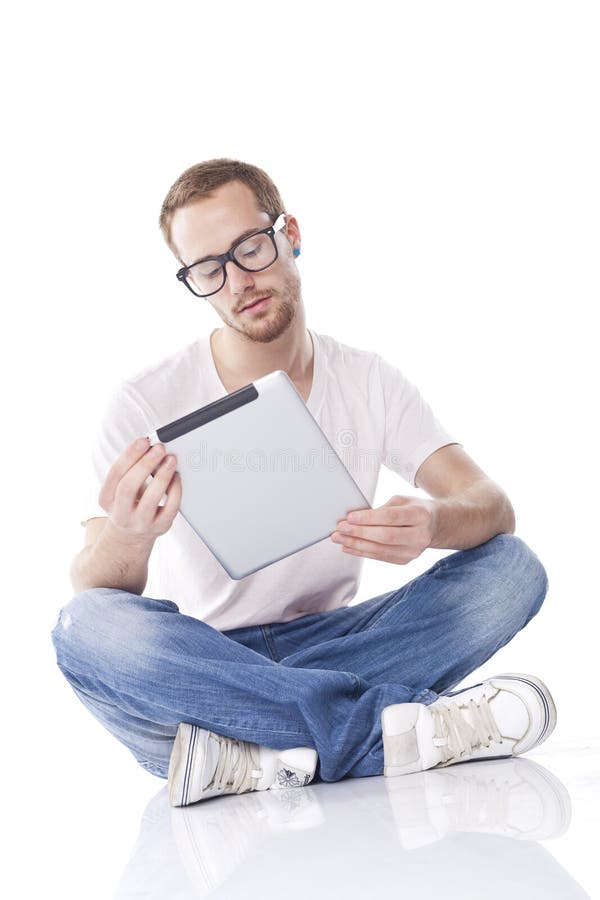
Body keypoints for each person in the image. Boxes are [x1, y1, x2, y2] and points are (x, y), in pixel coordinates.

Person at [51, 158, 554, 808]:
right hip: (202, 663)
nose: (238, 281)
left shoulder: (369, 380)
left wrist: (434, 523)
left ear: (289, 232)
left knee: (512, 570)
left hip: (338, 646)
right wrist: (129, 532)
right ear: (193, 282)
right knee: (84, 625)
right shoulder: (143, 401)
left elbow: (492, 507)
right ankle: (394, 729)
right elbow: (97, 587)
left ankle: (254, 752)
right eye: (209, 269)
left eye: (250, 248)